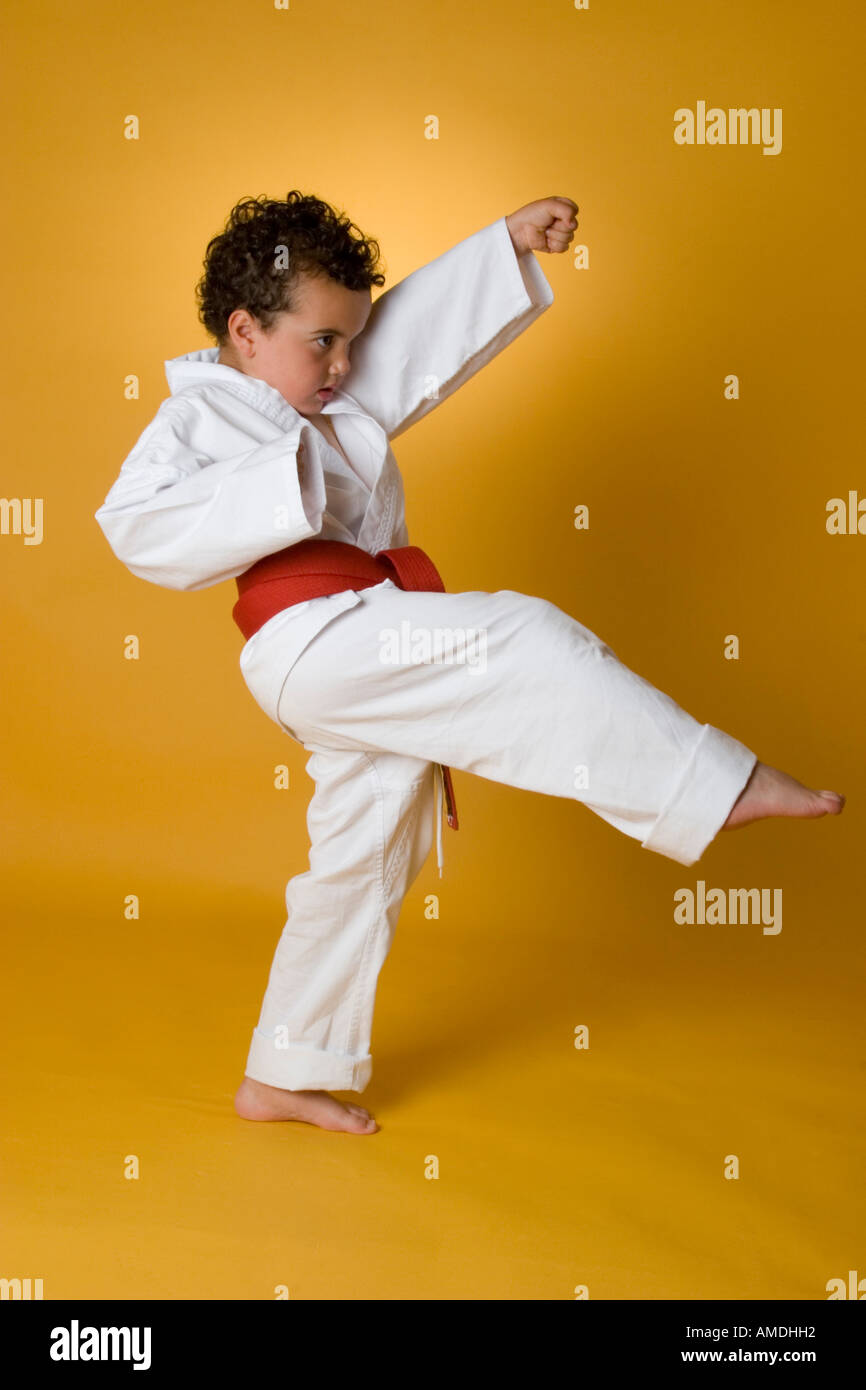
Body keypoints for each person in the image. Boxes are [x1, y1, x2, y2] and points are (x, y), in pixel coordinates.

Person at [94, 191, 845, 1137]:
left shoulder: (329, 389)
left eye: (350, 342)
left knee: (370, 853)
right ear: (244, 332)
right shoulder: (201, 419)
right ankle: (705, 785)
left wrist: (503, 248)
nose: (344, 363)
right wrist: (283, 478)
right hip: (312, 638)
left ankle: (287, 1066)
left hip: (360, 635)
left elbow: (406, 338)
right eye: (322, 341)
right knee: (525, 635)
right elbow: (133, 524)